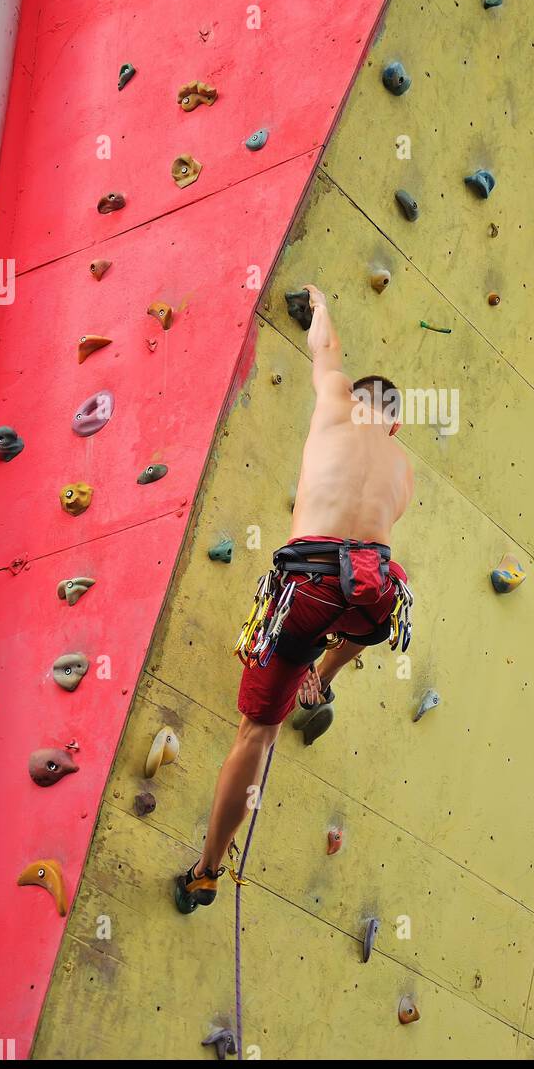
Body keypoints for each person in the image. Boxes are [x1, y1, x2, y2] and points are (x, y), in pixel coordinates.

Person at [175, 284, 414, 912]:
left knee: (256, 731)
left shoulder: (337, 401)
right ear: (394, 421)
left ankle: (205, 871)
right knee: (373, 608)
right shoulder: (401, 466)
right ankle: (323, 678)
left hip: (304, 587)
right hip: (371, 591)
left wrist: (321, 303)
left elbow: (326, 349)